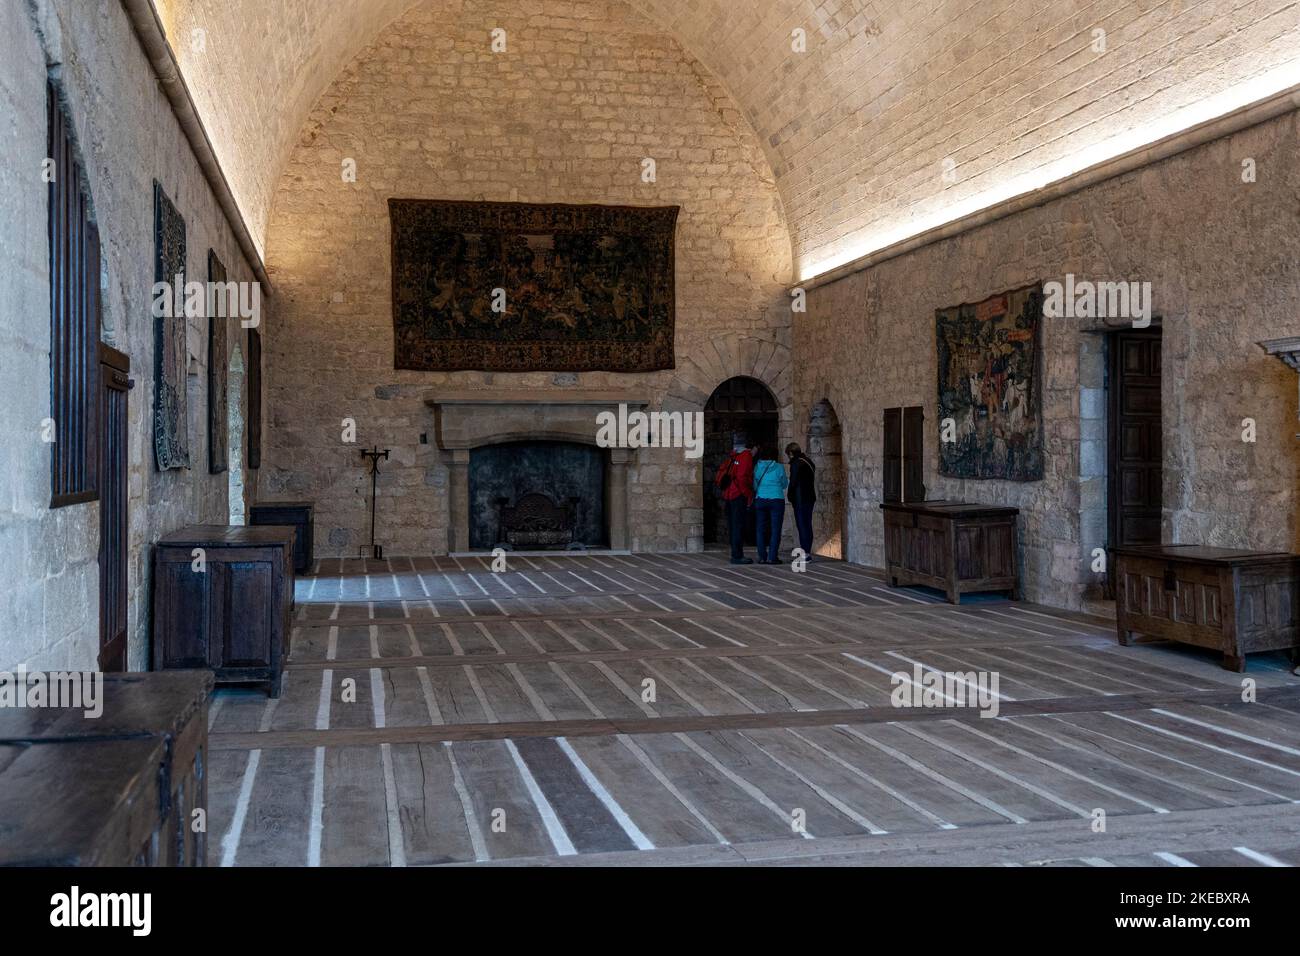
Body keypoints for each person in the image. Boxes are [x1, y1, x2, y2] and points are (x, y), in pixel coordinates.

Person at [714, 432, 755, 565]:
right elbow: (742, 477)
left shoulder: (733, 455)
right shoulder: (746, 456)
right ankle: (737, 555)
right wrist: (747, 494)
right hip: (738, 494)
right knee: (738, 525)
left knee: (733, 525)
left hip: (729, 494)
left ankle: (735, 553)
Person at [752, 445, 789, 564]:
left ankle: (762, 557)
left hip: (761, 499)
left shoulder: (757, 466)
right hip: (776, 500)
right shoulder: (779, 467)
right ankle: (772, 557)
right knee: (775, 529)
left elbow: (754, 484)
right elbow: (784, 484)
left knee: (760, 529)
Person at [786, 442, 817, 560]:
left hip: (800, 499)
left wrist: (790, 496)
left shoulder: (796, 464)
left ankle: (805, 553)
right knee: (808, 524)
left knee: (802, 525)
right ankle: (807, 551)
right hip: (810, 497)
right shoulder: (809, 461)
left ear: (791, 453)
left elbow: (793, 483)